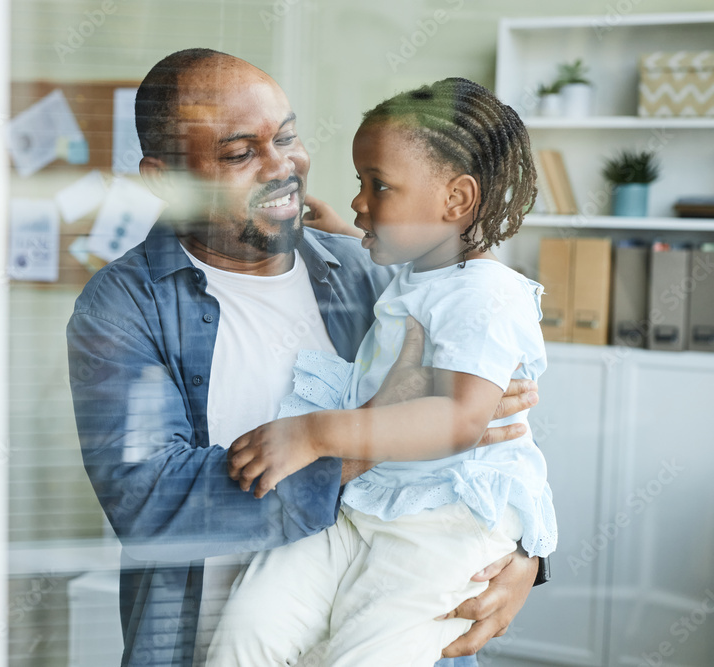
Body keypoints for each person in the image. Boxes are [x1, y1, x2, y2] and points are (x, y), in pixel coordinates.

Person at [67, 49, 545, 667]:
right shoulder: (123, 309)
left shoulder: (372, 272)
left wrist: (527, 556)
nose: (281, 167)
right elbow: (150, 504)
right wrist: (361, 441)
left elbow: (493, 433)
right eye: (240, 154)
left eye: (287, 137)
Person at [205, 77, 556, 666]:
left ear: (456, 200)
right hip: (365, 505)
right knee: (248, 631)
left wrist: (316, 433)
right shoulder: (428, 273)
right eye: (360, 183)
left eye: (379, 186)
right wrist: (348, 235)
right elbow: (406, 295)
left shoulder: (489, 295)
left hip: (441, 521)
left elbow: (462, 419)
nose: (359, 202)